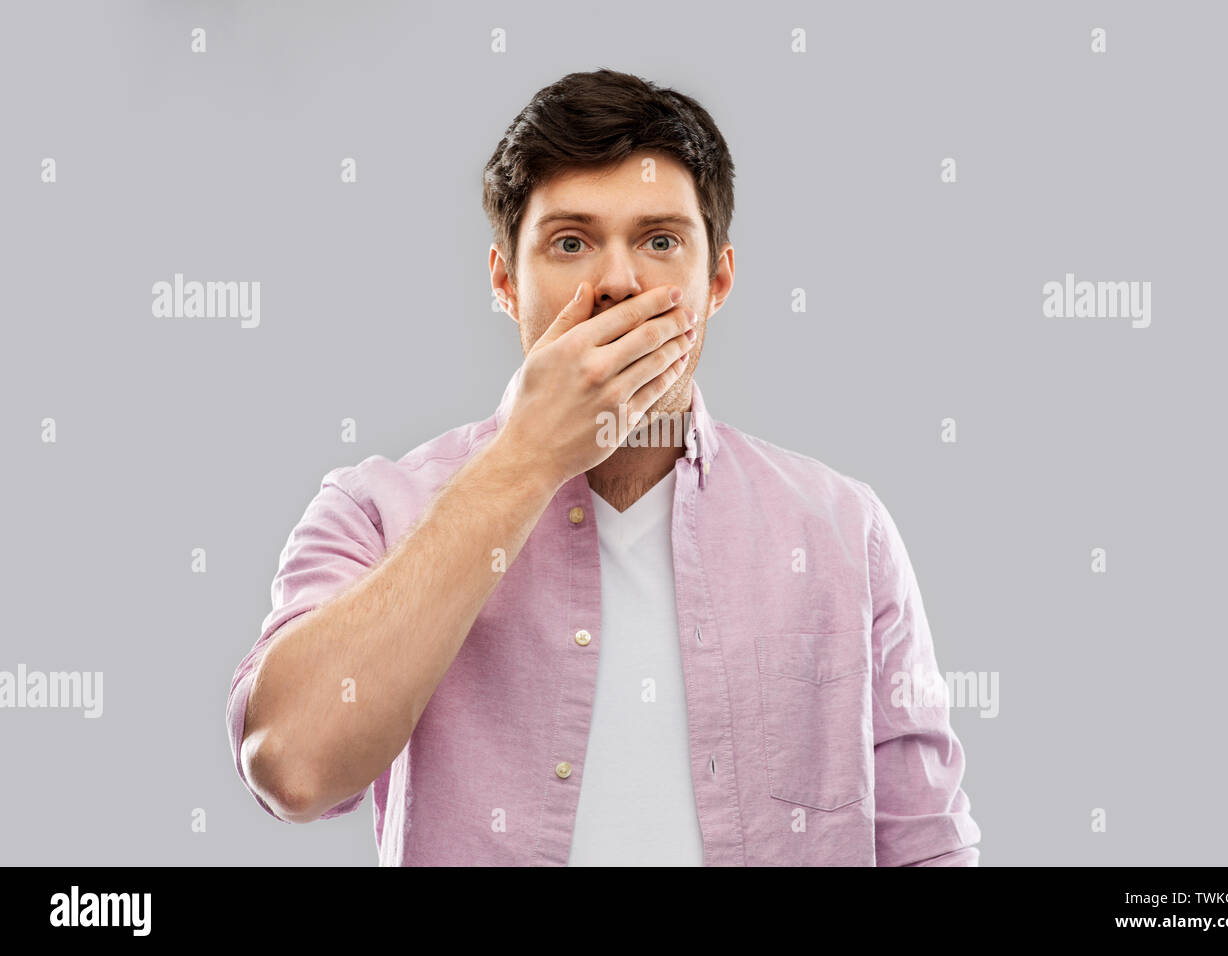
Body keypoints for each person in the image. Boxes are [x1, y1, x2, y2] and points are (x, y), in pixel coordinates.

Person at [226, 68, 982, 866]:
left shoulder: (843, 530)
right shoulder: (375, 510)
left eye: (660, 241)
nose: (619, 282)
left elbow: (926, 844)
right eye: (571, 242)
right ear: (506, 283)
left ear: (717, 280)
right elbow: (293, 768)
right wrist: (527, 454)